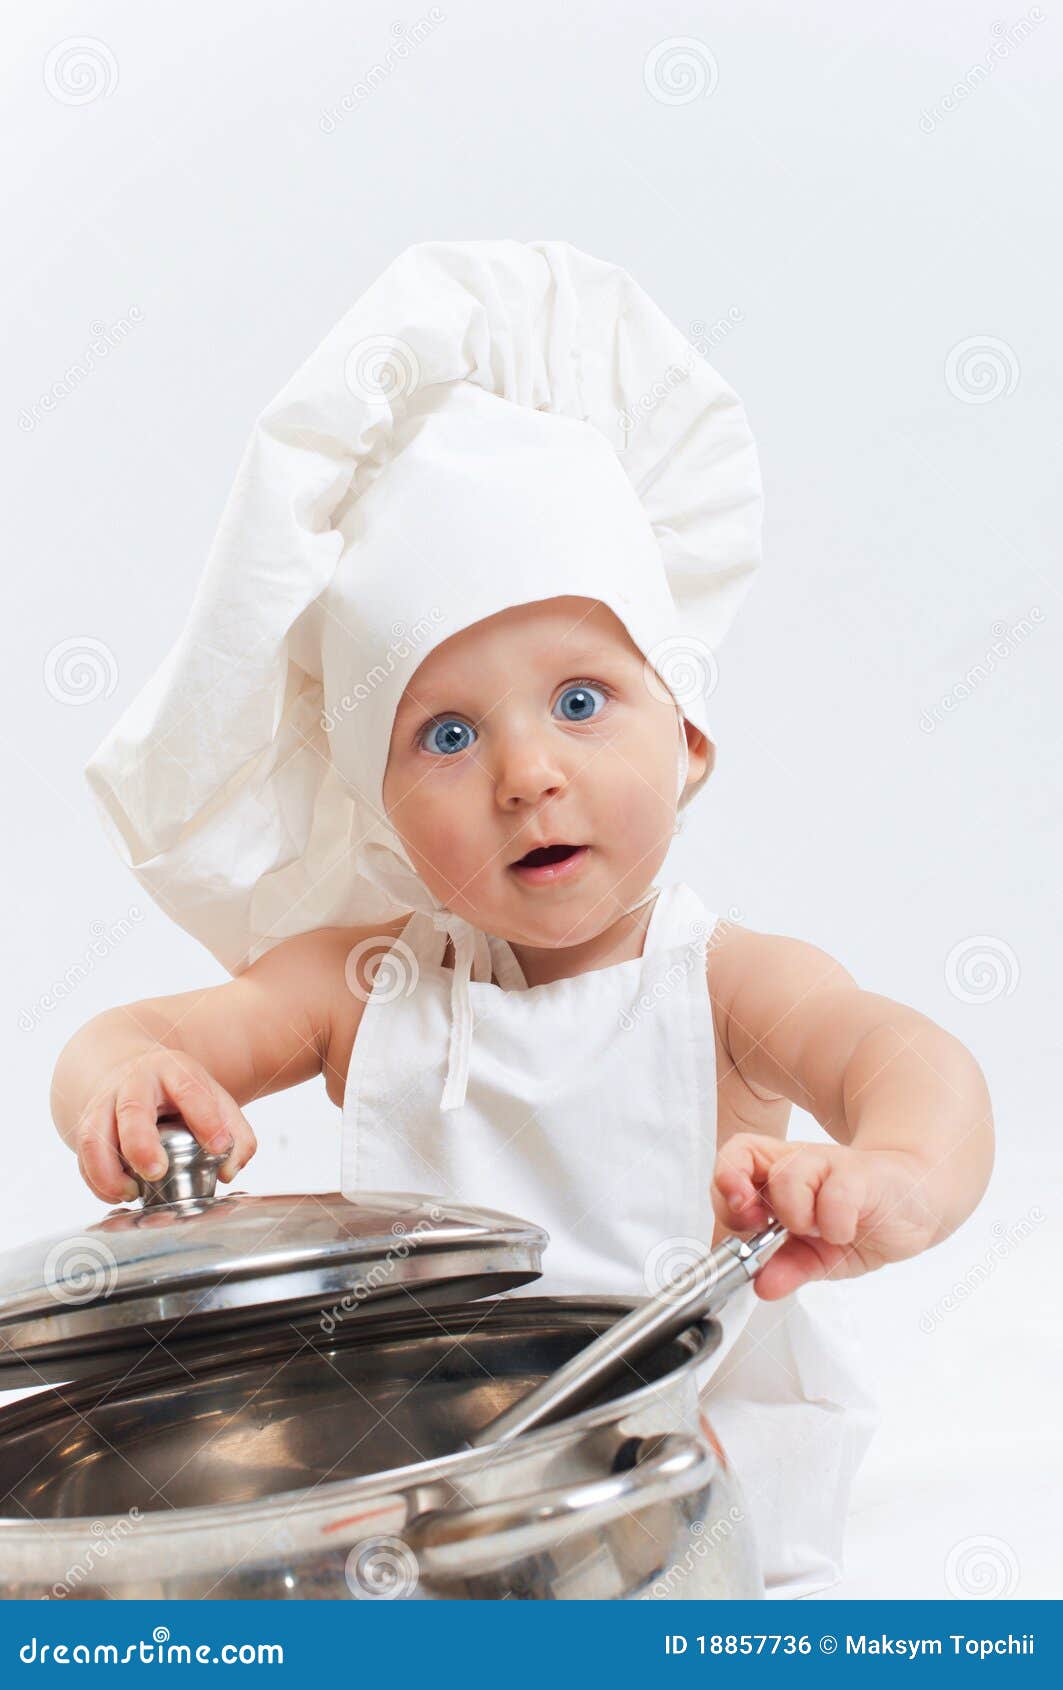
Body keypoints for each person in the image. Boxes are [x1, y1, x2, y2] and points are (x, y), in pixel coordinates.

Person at [49, 241, 994, 1598]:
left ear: (692, 736)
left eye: (581, 699)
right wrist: (130, 1080)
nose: (526, 772)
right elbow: (124, 1033)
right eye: (445, 732)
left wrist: (899, 1171)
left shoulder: (722, 984)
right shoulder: (362, 985)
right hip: (423, 1485)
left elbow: (901, 1059)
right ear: (377, 808)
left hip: (682, 1472)